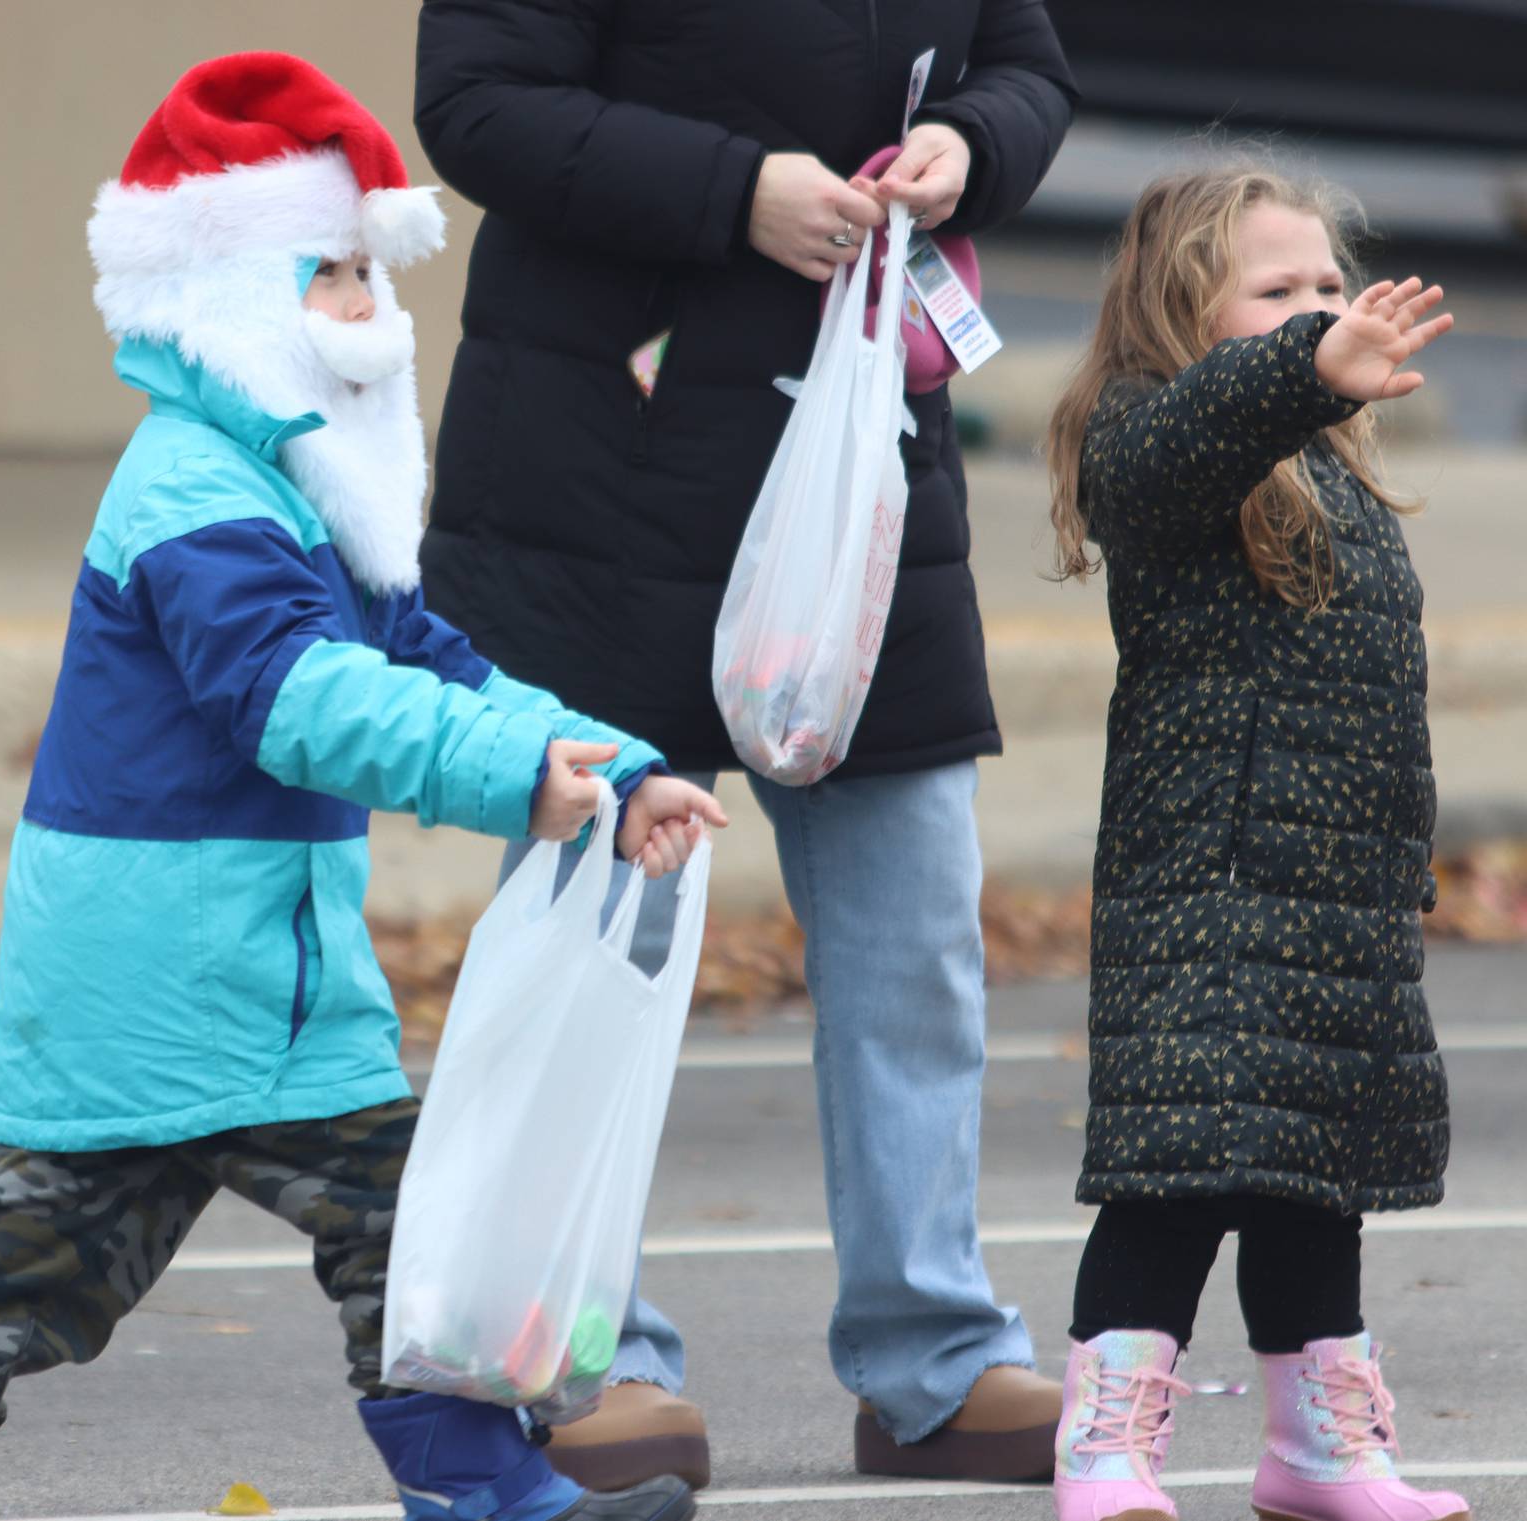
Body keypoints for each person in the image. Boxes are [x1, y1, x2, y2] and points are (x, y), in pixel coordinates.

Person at [0, 53, 724, 1521]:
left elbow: (429, 657)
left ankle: (486, 1495)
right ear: (239, 299)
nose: (377, 314)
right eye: (341, 277)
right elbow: (295, 702)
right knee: (18, 1285)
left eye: (372, 274)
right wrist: (508, 775)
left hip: (259, 978)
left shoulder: (291, 491)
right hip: (164, 975)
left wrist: (612, 771)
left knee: (406, 1231)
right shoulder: (196, 491)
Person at [413, 0, 1078, 1493]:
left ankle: (938, 1353)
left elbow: (1031, 66)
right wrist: (736, 189)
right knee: (607, 939)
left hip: (857, 480)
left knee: (915, 930)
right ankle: (593, 1353)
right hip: (599, 471)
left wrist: (967, 148)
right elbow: (475, 103)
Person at [1042, 164, 1466, 1521]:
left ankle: (1322, 1450)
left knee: (1312, 1185)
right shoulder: (1151, 445)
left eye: (1329, 286)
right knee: (1176, 1175)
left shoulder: (1332, 472)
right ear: (1182, 315)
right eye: (1275, 292)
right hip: (1206, 885)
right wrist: (1305, 363)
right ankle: (1107, 1446)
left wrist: (1399, 874)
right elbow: (1178, 450)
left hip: (1333, 899)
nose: (1318, 309)